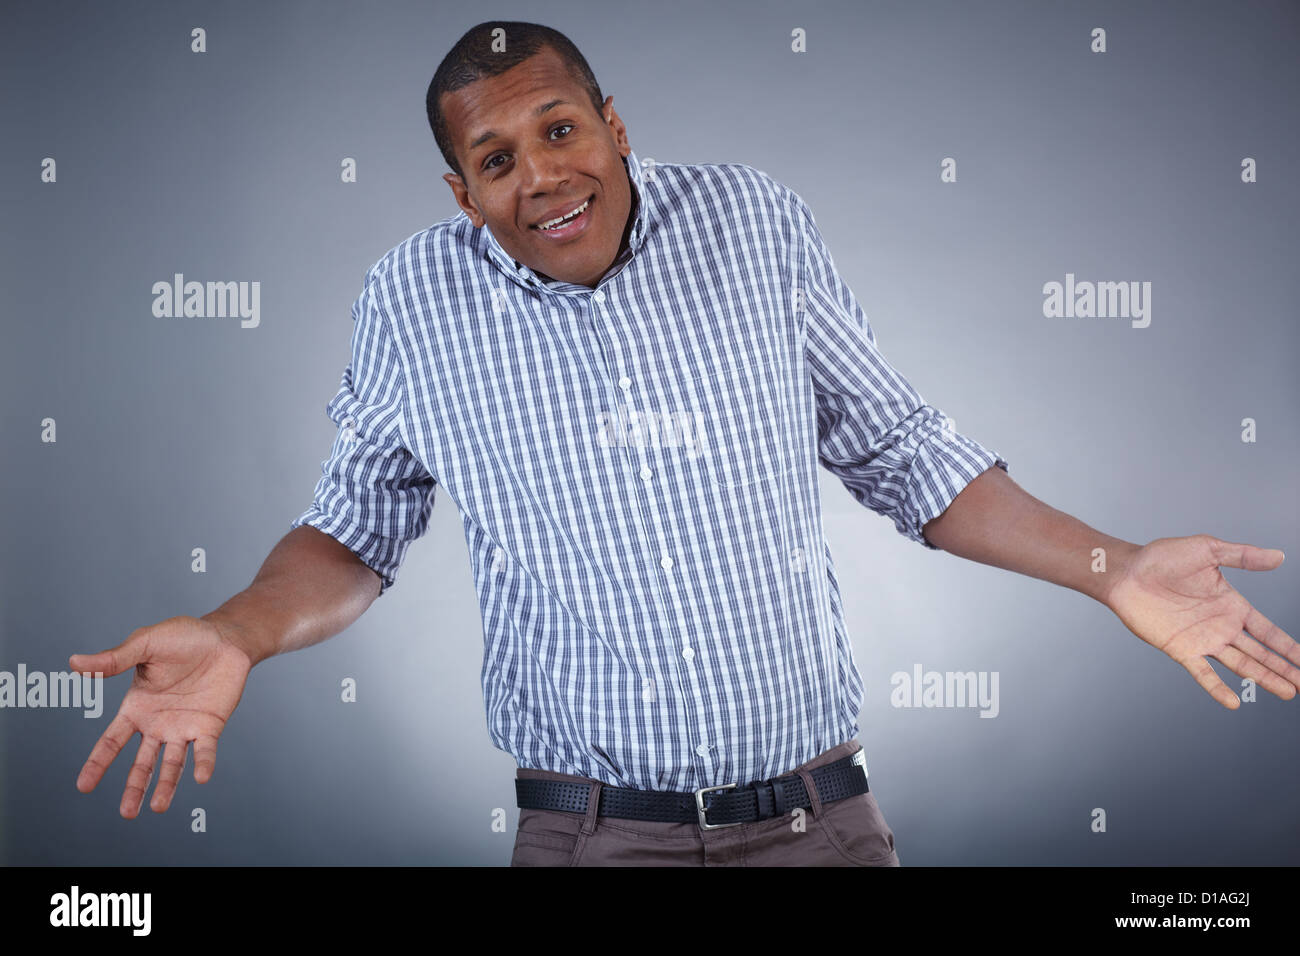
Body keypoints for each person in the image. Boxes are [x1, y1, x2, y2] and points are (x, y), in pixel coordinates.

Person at [70, 21, 1297, 866]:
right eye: (494, 160)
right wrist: (235, 629)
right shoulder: (410, 301)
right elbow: (350, 533)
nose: (540, 177)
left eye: (559, 130)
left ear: (610, 119)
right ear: (460, 191)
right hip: (589, 836)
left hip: (821, 823)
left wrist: (1114, 567)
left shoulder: (751, 221)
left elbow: (904, 452)